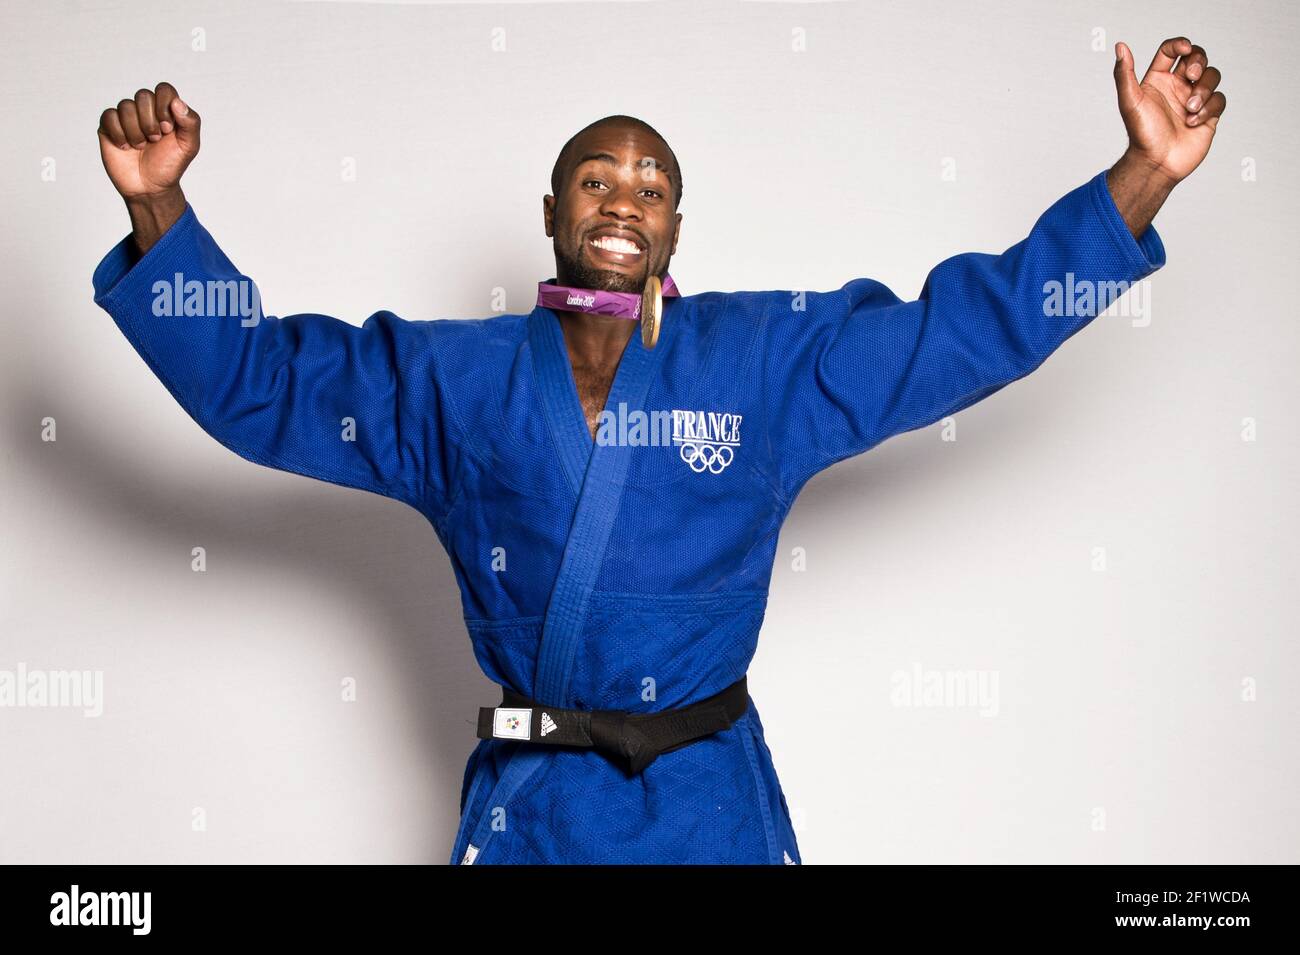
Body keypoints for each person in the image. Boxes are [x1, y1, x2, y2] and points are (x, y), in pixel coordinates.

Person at [92, 37, 1226, 864]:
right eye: (596, 178)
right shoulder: (456, 379)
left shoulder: (764, 362)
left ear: (677, 227)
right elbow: (266, 386)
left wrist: (1143, 177)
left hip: (706, 807)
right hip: (536, 808)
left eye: (652, 185)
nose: (623, 197)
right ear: (552, 211)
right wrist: (160, 212)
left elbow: (955, 333)